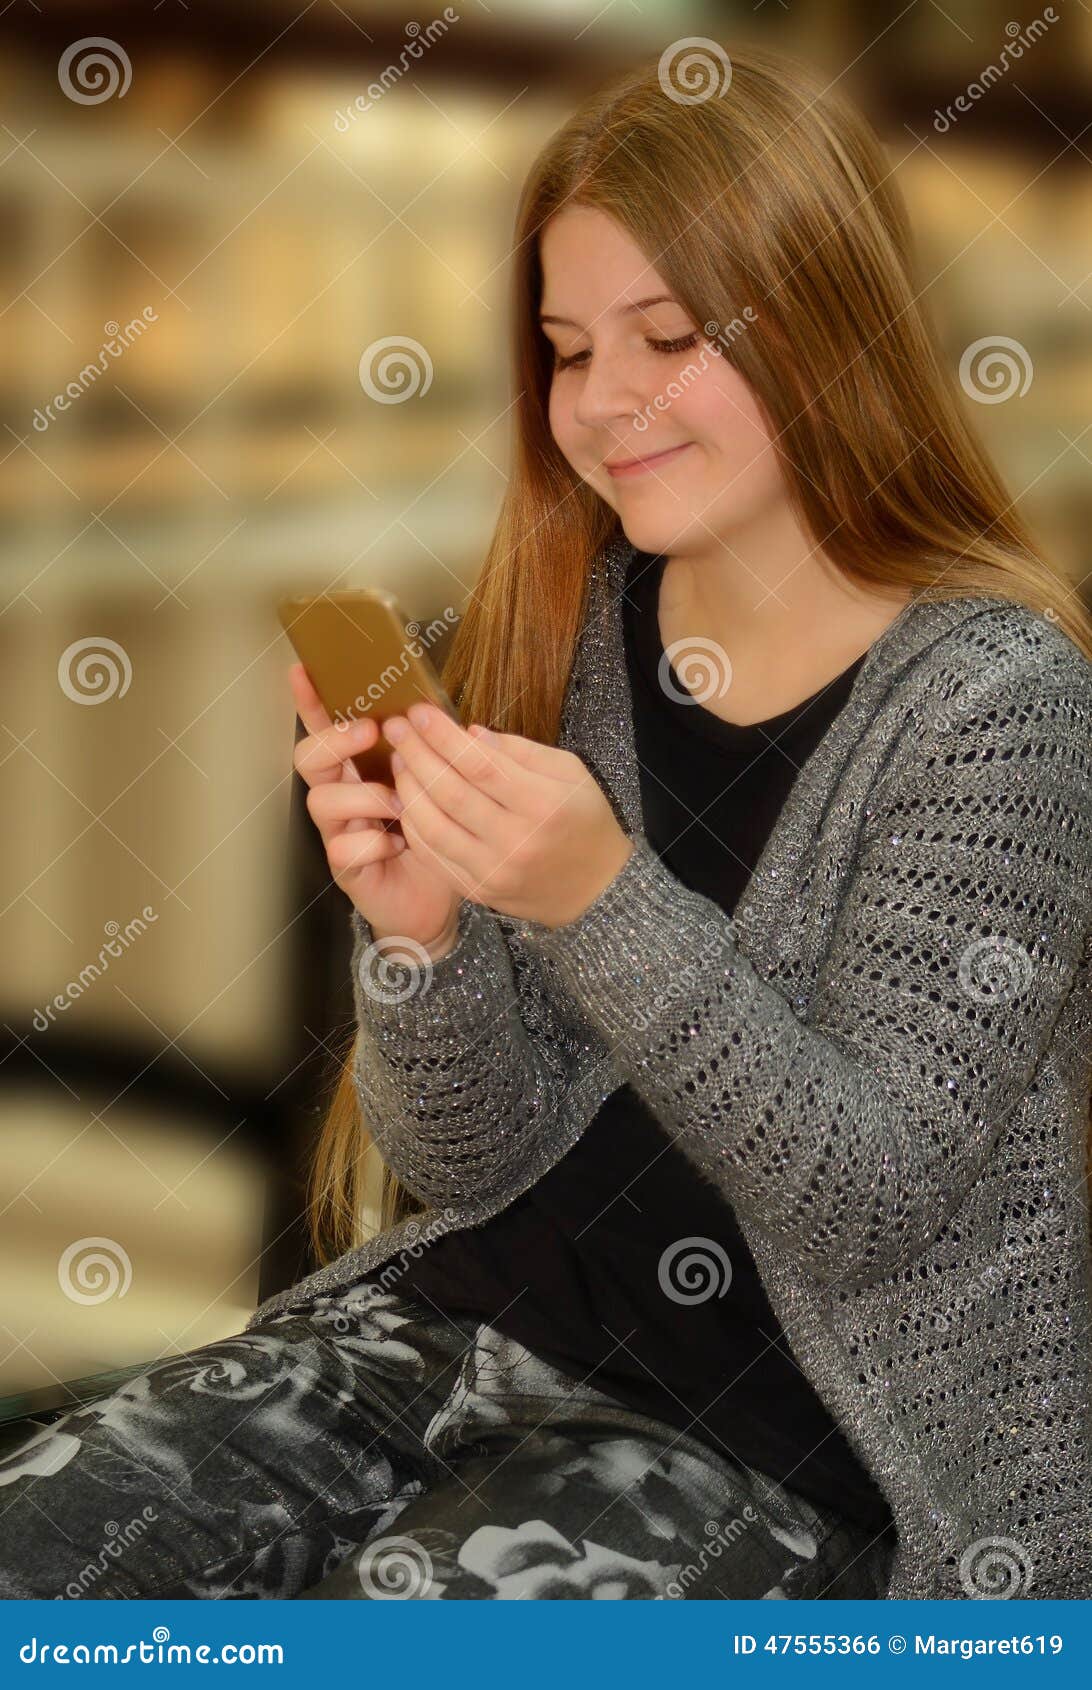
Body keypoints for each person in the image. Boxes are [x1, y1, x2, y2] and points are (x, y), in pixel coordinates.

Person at [1, 42, 1090, 1602]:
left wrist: (601, 898)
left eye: (670, 338)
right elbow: (475, 1154)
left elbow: (873, 1199)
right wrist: (423, 936)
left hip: (785, 1446)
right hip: (450, 1327)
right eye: (570, 351)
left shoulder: (997, 702)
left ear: (830, 328)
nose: (605, 402)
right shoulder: (573, 632)